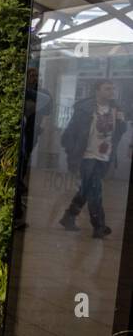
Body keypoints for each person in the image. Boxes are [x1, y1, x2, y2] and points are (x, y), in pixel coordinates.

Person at [60, 79, 126, 238]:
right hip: (87, 156)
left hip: (105, 156)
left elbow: (120, 131)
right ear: (97, 91)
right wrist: (72, 153)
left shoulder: (116, 108)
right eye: (107, 89)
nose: (111, 92)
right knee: (95, 190)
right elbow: (70, 132)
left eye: (112, 89)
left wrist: (121, 120)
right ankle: (99, 226)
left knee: (87, 189)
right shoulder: (84, 108)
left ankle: (69, 217)